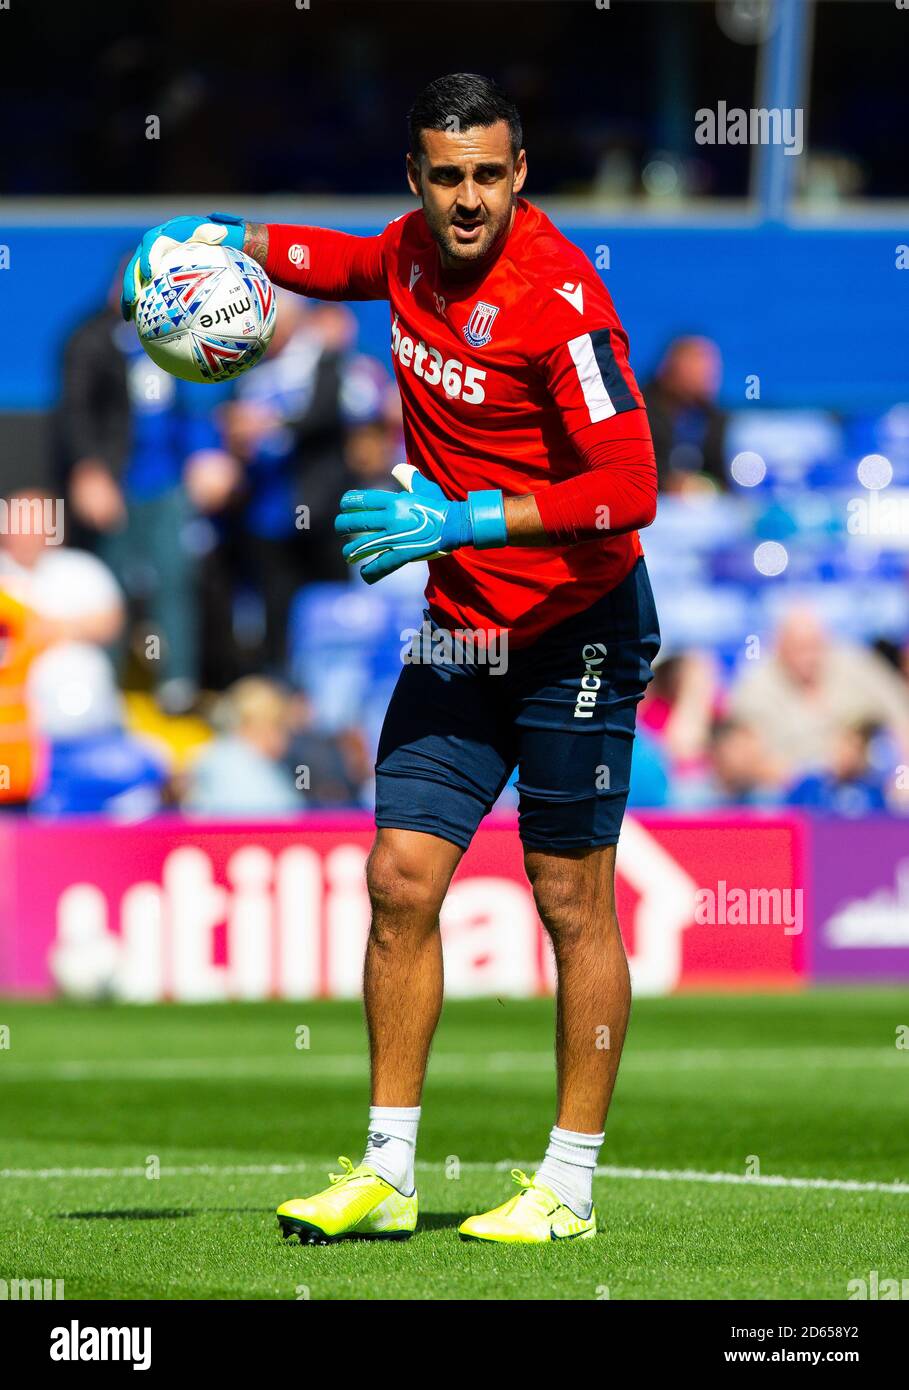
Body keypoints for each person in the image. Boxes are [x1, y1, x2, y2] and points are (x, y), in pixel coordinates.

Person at [122, 72, 659, 1246]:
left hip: (577, 626)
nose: (466, 201)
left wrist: (464, 520)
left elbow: (629, 488)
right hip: (465, 626)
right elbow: (340, 261)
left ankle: (565, 1184)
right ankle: (387, 1174)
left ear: (519, 174)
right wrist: (228, 235)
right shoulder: (412, 253)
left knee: (570, 897)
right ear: (417, 179)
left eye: (487, 175)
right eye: (444, 176)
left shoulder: (562, 303)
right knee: (398, 879)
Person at [58, 266, 239, 713]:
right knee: (111, 586)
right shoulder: (91, 339)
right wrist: (89, 470)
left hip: (168, 485)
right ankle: (107, 688)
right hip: (116, 486)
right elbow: (76, 412)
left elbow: (194, 407)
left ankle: (176, 685)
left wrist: (206, 455)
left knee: (175, 578)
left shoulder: (177, 335)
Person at [730, 606, 909, 784]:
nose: (808, 656)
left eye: (814, 646)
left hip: (867, 782)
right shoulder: (754, 686)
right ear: (779, 647)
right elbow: (740, 760)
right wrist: (822, 771)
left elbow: (901, 714)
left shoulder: (856, 665)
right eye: (798, 647)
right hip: (785, 794)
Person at [183, 677, 303, 817]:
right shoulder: (237, 768)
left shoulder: (215, 757)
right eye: (283, 726)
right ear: (265, 726)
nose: (288, 737)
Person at [643, 336, 727, 493]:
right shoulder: (639, 411)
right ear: (670, 369)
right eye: (697, 366)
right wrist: (670, 483)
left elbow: (720, 476)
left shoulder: (714, 419)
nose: (707, 376)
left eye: (712, 370)